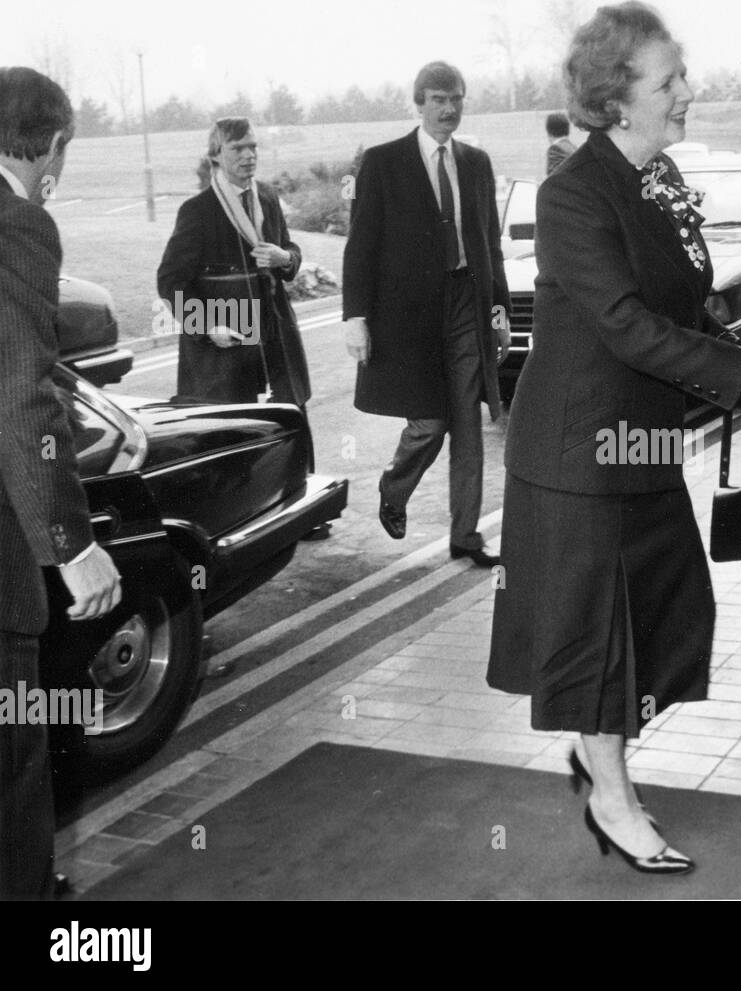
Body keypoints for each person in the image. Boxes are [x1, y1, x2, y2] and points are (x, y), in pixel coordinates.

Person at [487, 1, 741, 876]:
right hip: (581, 453)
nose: (688, 92)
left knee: (672, 613)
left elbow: (678, 310)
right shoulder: (572, 194)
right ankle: (611, 795)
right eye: (669, 81)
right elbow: (622, 324)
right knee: (601, 636)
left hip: (644, 445)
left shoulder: (658, 181)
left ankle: (595, 744)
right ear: (618, 101)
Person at [0, 66, 122, 900]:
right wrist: (73, 545)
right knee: (12, 760)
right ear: (53, 146)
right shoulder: (18, 226)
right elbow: (22, 400)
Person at [344, 61, 510, 566]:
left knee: (467, 422)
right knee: (429, 423)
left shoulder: (476, 163)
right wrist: (356, 316)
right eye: (438, 99)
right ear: (418, 103)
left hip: (466, 304)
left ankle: (467, 536)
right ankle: (395, 487)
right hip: (408, 316)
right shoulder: (383, 162)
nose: (449, 108)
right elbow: (361, 244)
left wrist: (499, 311)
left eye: (456, 98)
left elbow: (489, 245)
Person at [157, 117, 311, 409]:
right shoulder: (197, 210)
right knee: (234, 434)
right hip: (227, 335)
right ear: (215, 154)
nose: (249, 155)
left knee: (290, 423)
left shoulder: (267, 196)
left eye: (252, 146)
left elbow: (290, 247)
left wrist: (285, 257)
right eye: (237, 148)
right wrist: (207, 325)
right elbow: (170, 280)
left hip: (274, 330)